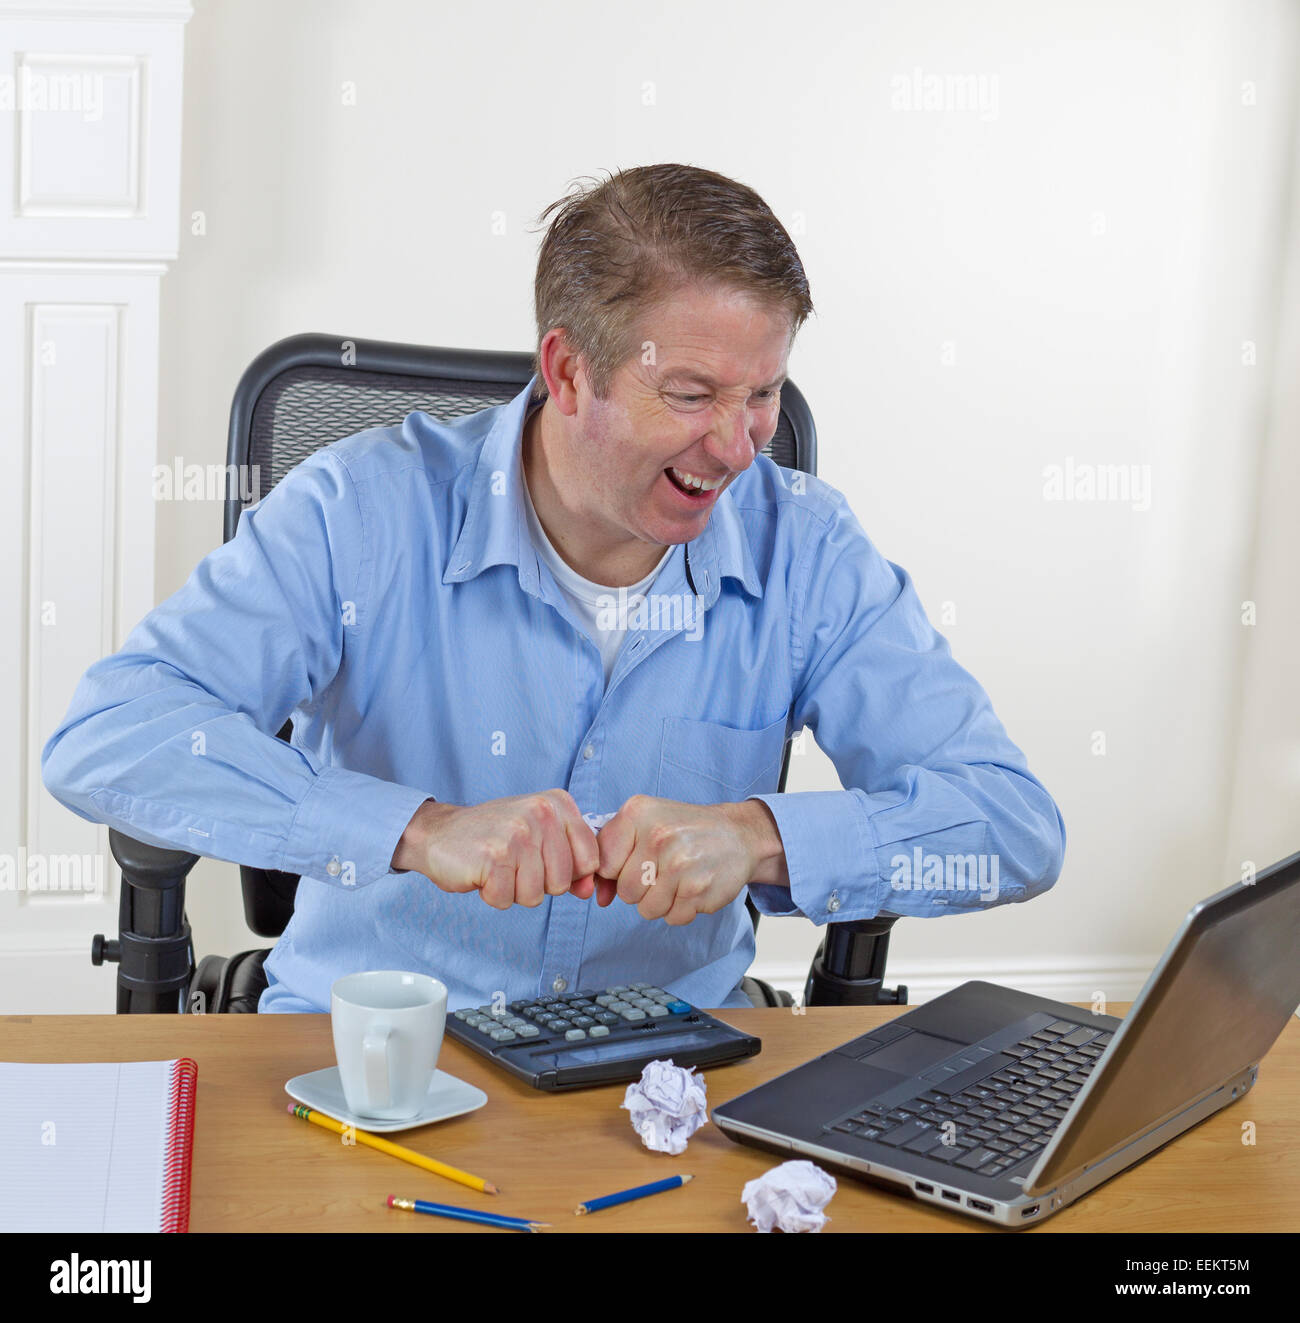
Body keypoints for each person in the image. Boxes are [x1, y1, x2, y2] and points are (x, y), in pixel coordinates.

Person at [41, 163, 1065, 1013]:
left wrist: (762, 838)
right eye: (692, 395)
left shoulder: (808, 545)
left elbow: (1011, 826)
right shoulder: (361, 509)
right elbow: (110, 736)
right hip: (373, 1048)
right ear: (569, 373)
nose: (738, 445)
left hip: (670, 1066)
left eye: (763, 394)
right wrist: (418, 830)